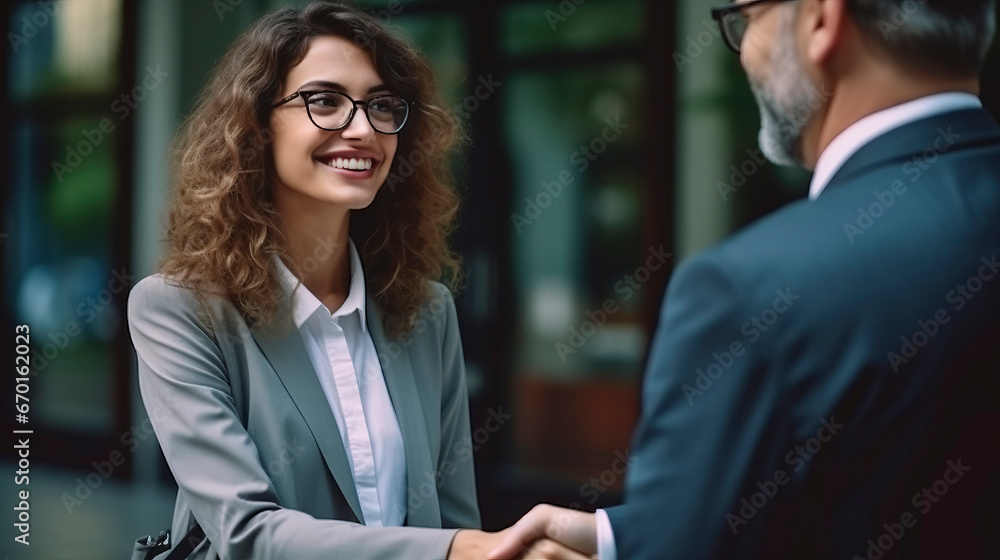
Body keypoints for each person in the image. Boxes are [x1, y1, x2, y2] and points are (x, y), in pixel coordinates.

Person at [490, 0, 1000, 558]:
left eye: (746, 18)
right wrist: (623, 538)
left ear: (821, 20)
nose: (743, 54)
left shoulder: (747, 288)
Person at [127, 2, 574, 558]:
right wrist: (462, 550)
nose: (363, 129)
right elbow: (245, 534)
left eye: (382, 106)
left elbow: (455, 517)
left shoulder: (426, 310)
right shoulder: (178, 309)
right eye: (324, 101)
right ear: (256, 124)